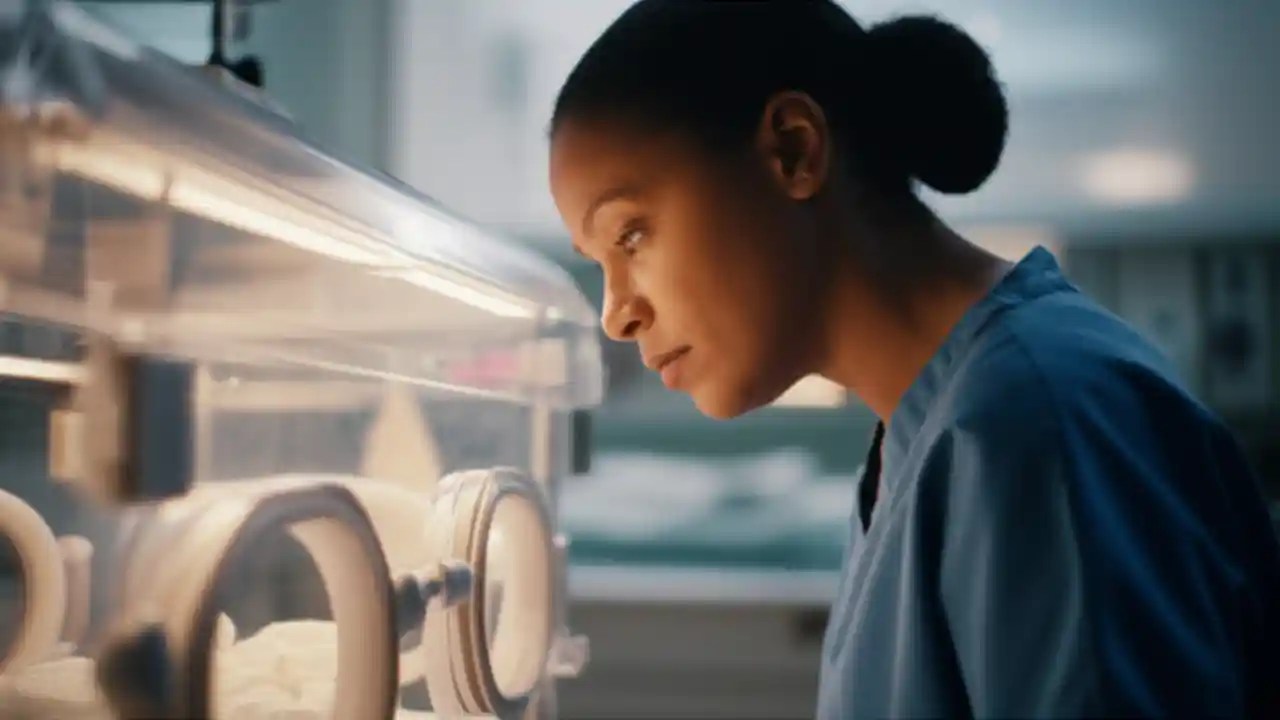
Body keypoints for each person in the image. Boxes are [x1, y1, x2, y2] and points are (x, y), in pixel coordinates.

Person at [547, 0, 1280, 718]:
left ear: (793, 150)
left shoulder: (1041, 423)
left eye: (631, 235)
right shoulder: (930, 435)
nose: (616, 315)